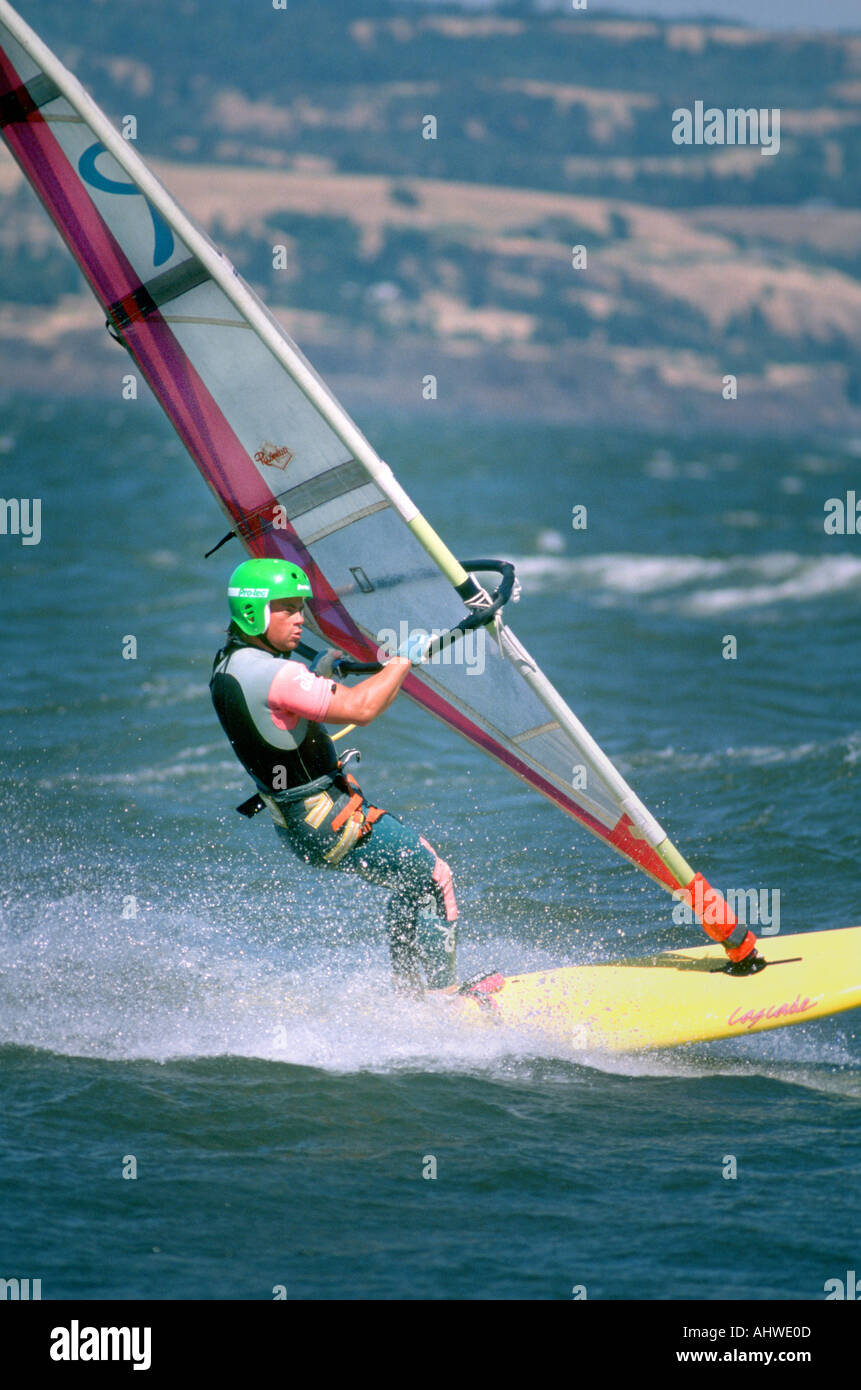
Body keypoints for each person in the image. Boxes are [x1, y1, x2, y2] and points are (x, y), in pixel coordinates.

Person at [210, 557, 458, 994]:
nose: (300, 618)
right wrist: (402, 662)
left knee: (411, 878)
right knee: (435, 875)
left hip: (297, 825)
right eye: (286, 608)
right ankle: (446, 1003)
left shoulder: (229, 663)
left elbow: (277, 710)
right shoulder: (275, 674)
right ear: (255, 612)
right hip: (329, 821)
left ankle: (410, 995)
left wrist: (317, 673)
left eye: (301, 606)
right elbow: (362, 709)